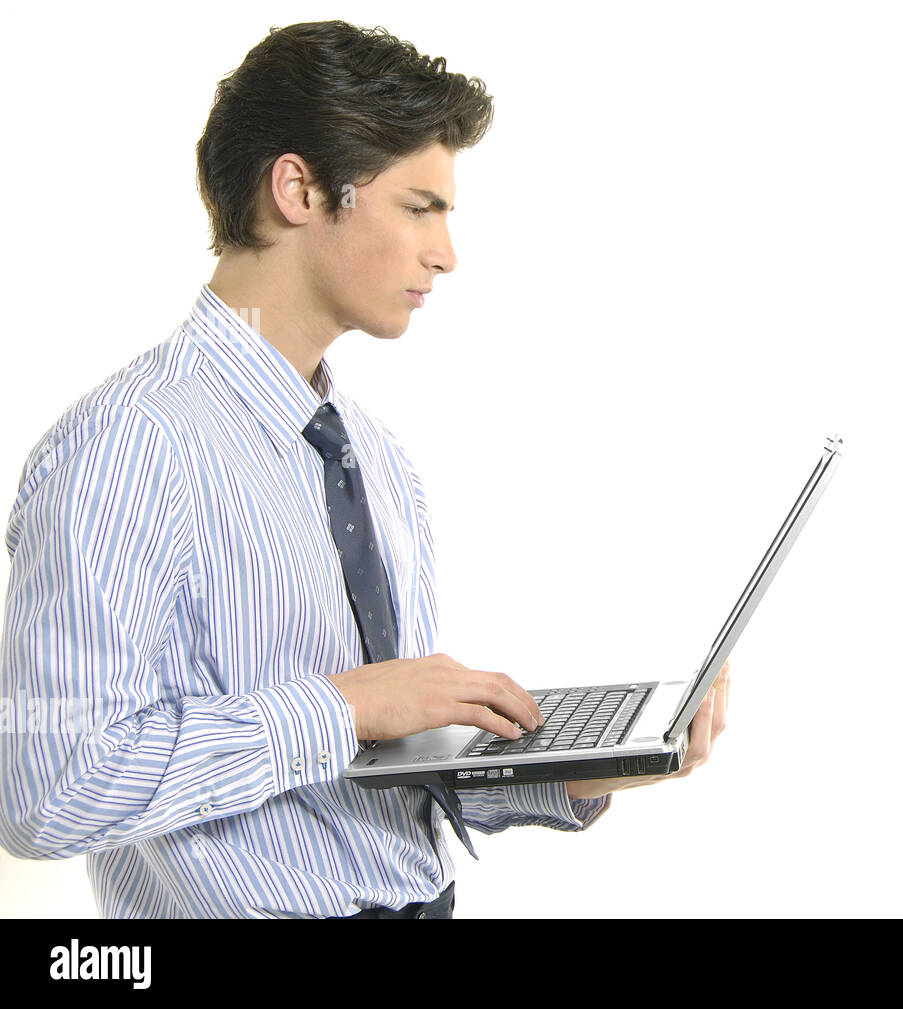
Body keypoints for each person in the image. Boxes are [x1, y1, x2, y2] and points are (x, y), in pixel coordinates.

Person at [0, 19, 729, 918]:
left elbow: (385, 768)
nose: (446, 252)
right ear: (299, 188)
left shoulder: (377, 460)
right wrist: (339, 708)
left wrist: (584, 768)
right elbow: (49, 789)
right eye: (420, 206)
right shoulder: (128, 449)